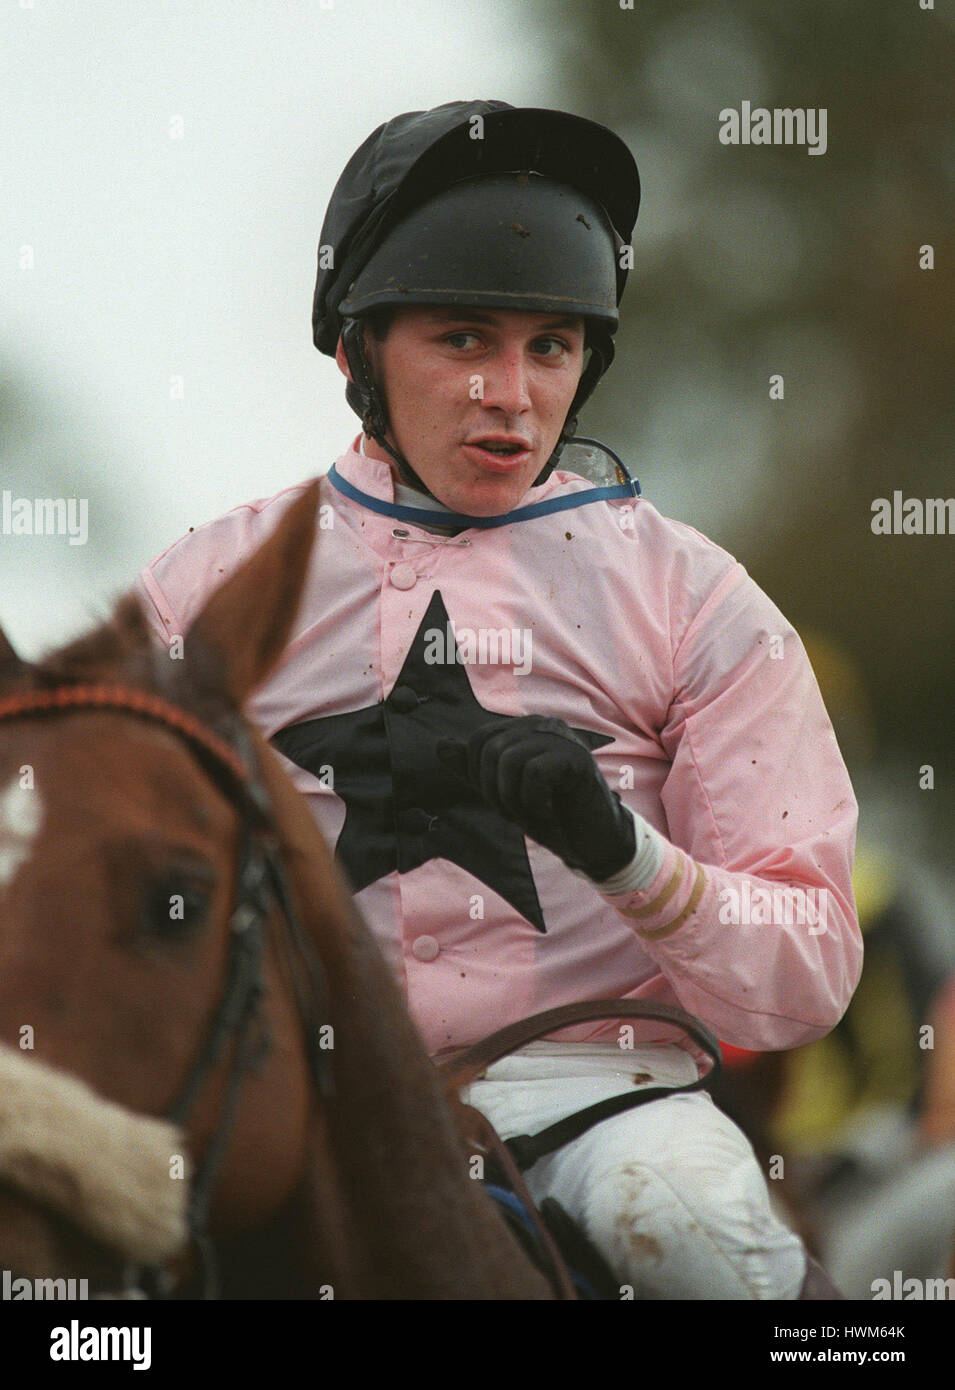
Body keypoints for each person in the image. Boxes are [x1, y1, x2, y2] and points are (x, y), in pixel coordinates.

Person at [134, 100, 862, 1298]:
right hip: (285, 1103)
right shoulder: (205, 590)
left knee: (696, 1239)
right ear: (355, 352)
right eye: (463, 340)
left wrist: (624, 855)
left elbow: (809, 973)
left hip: (605, 1112)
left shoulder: (698, 598)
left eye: (550, 346)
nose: (511, 396)